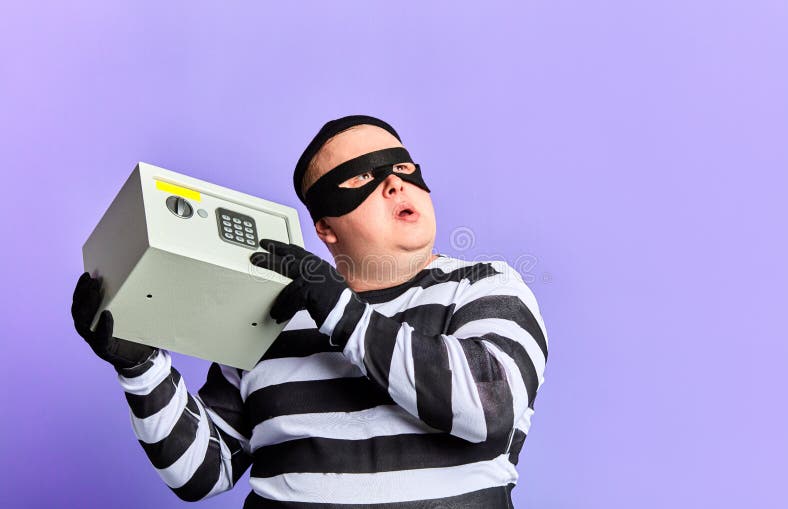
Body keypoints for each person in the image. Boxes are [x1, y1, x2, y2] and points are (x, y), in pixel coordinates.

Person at [71, 115, 549, 508]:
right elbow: (201, 473)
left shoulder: (484, 286)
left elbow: (488, 408)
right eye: (362, 177)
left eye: (404, 169)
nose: (393, 185)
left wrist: (335, 305)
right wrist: (141, 367)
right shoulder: (272, 317)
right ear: (325, 228)